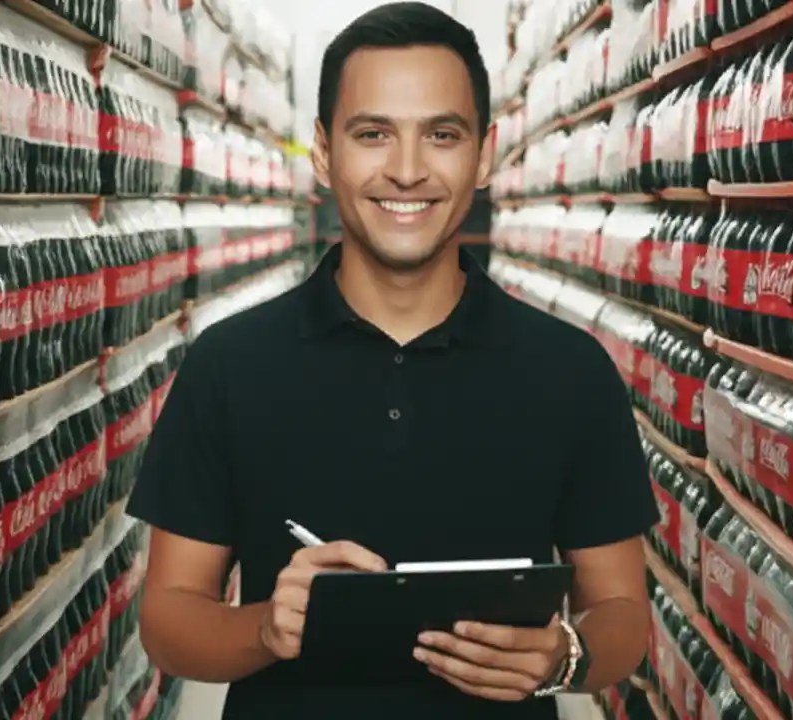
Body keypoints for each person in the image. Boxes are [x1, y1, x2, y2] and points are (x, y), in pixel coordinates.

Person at [127, 3, 659, 718]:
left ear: (484, 153)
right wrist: (264, 627)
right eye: (372, 134)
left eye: (442, 135)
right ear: (324, 152)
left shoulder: (571, 371)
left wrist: (566, 655)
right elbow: (168, 622)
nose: (407, 172)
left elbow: (623, 611)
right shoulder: (229, 365)